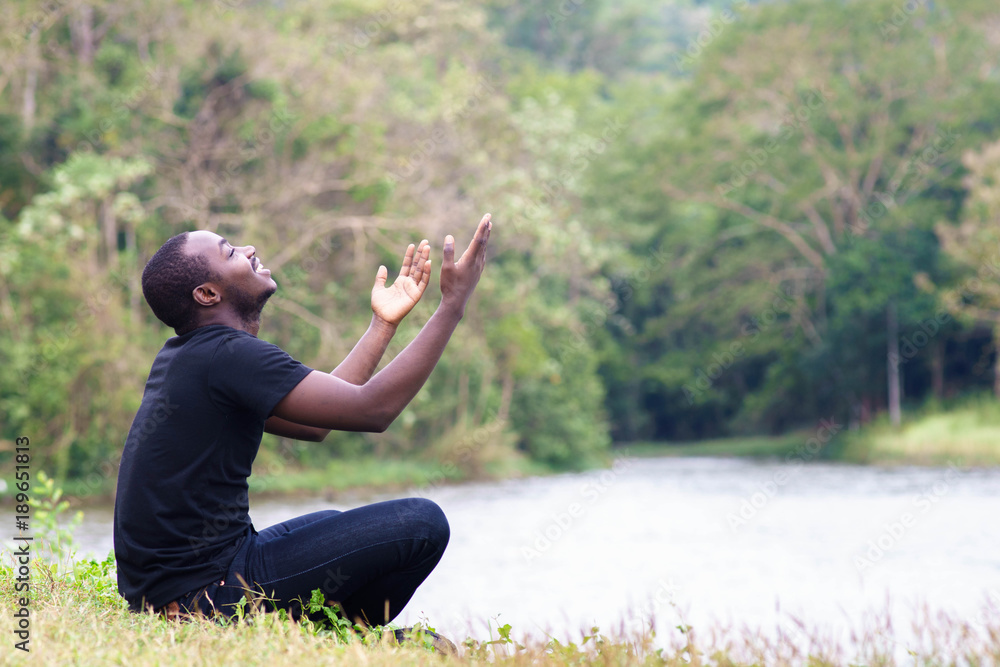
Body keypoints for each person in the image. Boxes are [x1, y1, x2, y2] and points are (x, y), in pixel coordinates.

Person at [113, 214, 492, 640]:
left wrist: (383, 325)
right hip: (205, 597)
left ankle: (333, 632)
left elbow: (315, 426)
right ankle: (351, 636)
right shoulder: (227, 356)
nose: (249, 250)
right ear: (207, 293)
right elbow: (374, 411)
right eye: (231, 251)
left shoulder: (191, 357)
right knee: (423, 523)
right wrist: (452, 305)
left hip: (178, 592)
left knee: (332, 520)